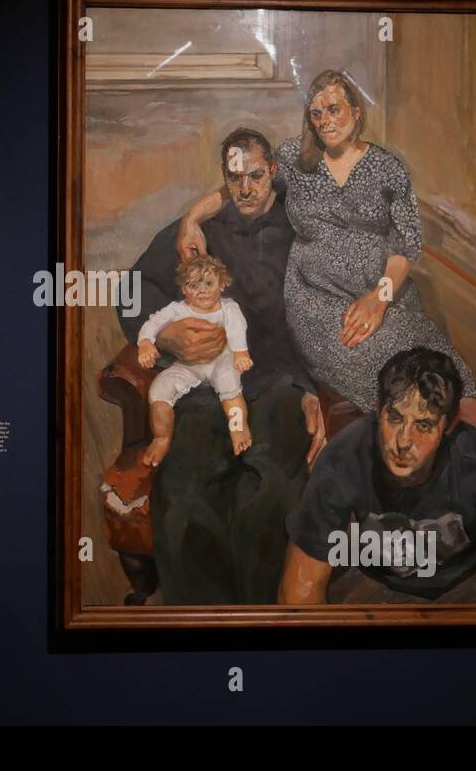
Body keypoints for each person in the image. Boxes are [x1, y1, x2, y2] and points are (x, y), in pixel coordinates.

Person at [179, 71, 476, 453]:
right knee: (403, 385)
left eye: (333, 109)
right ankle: (426, 465)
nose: (325, 121)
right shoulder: (295, 159)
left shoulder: (388, 168)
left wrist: (379, 300)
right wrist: (191, 220)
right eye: (316, 113)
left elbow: (405, 245)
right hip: (317, 301)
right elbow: (236, 186)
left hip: (385, 295)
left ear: (356, 111)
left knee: (456, 385)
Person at [118, 128, 324, 605]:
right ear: (223, 180)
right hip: (204, 384)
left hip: (279, 381)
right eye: (235, 179)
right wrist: (165, 334)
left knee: (271, 489)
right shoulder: (199, 232)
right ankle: (202, 624)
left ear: (272, 171)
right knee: (186, 491)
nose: (246, 189)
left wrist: (312, 386)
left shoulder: (303, 223)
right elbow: (131, 289)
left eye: (255, 175)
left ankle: (261, 623)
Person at [278, 347, 476, 604]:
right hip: (380, 585)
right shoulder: (345, 455)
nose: (403, 441)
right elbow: (301, 586)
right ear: (378, 410)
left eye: (423, 424)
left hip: (472, 582)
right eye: (395, 417)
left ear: (449, 427)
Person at [136, 254, 253, 465]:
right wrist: (145, 343)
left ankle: (238, 426)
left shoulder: (229, 309)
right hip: (189, 365)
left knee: (229, 383)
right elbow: (153, 323)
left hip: (221, 361)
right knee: (159, 389)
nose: (202, 289)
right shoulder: (177, 309)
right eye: (193, 284)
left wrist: (241, 352)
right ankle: (162, 437)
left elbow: (237, 329)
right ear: (184, 289)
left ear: (222, 284)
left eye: (209, 283)